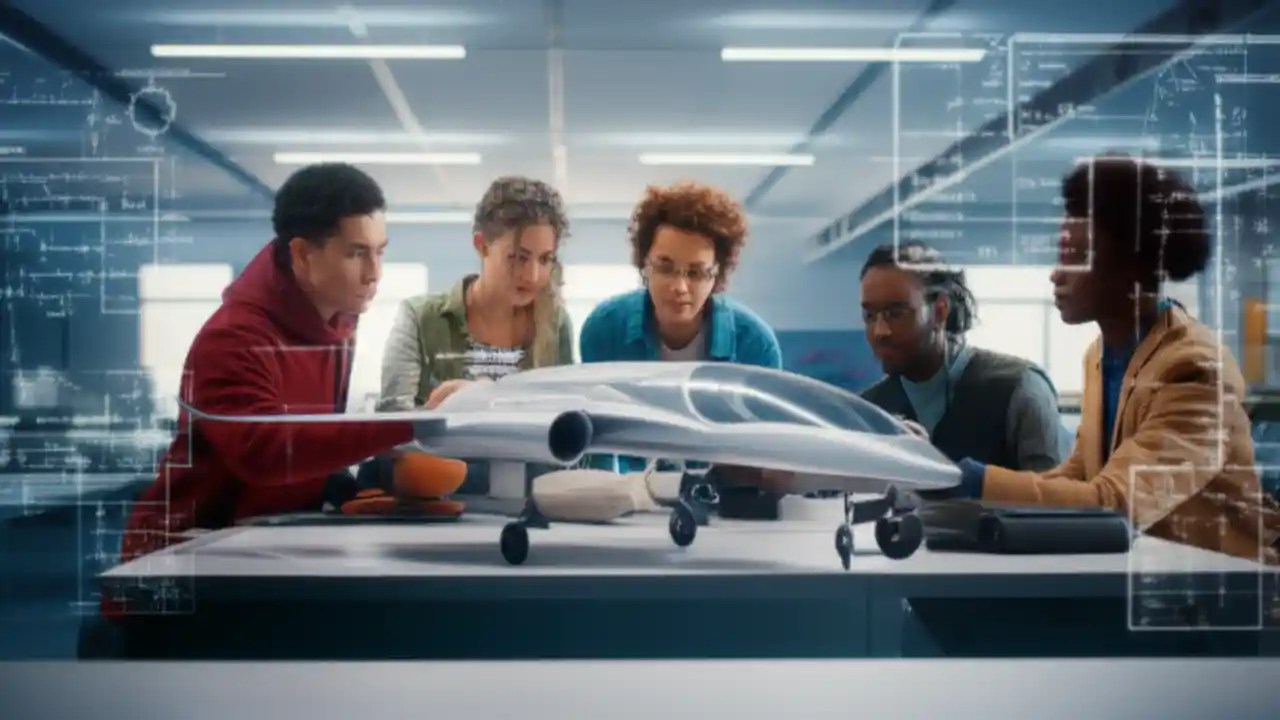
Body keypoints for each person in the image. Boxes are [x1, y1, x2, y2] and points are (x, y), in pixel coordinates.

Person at [935, 155, 1279, 563]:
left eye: (1071, 257)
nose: (1055, 274)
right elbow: (1080, 475)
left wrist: (974, 481)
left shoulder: (1194, 369)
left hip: (1225, 592)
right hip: (1151, 575)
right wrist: (972, 488)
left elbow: (1115, 500)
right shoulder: (1101, 356)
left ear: (1129, 267)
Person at [119, 163, 422, 562]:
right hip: (181, 561)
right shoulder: (233, 338)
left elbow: (311, 436)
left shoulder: (337, 323)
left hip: (264, 544)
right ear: (301, 253)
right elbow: (267, 454)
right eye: (356, 253)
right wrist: (415, 422)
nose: (374, 274)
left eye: (380, 252)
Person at [578, 180, 781, 492]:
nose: (680, 287)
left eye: (696, 272)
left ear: (718, 275)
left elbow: (766, 455)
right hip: (632, 498)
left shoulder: (755, 345)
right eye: (666, 267)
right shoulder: (605, 329)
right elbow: (598, 447)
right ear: (644, 264)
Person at [377, 176, 573, 495]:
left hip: (529, 506)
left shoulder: (556, 324)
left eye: (545, 259)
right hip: (436, 505)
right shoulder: (420, 317)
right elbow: (392, 430)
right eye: (518, 257)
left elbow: (564, 432)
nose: (533, 275)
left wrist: (481, 397)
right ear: (481, 246)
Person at [858, 242, 1063, 471]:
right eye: (870, 315)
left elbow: (1050, 499)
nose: (880, 331)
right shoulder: (868, 410)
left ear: (940, 311)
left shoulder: (1019, 390)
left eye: (896, 314)